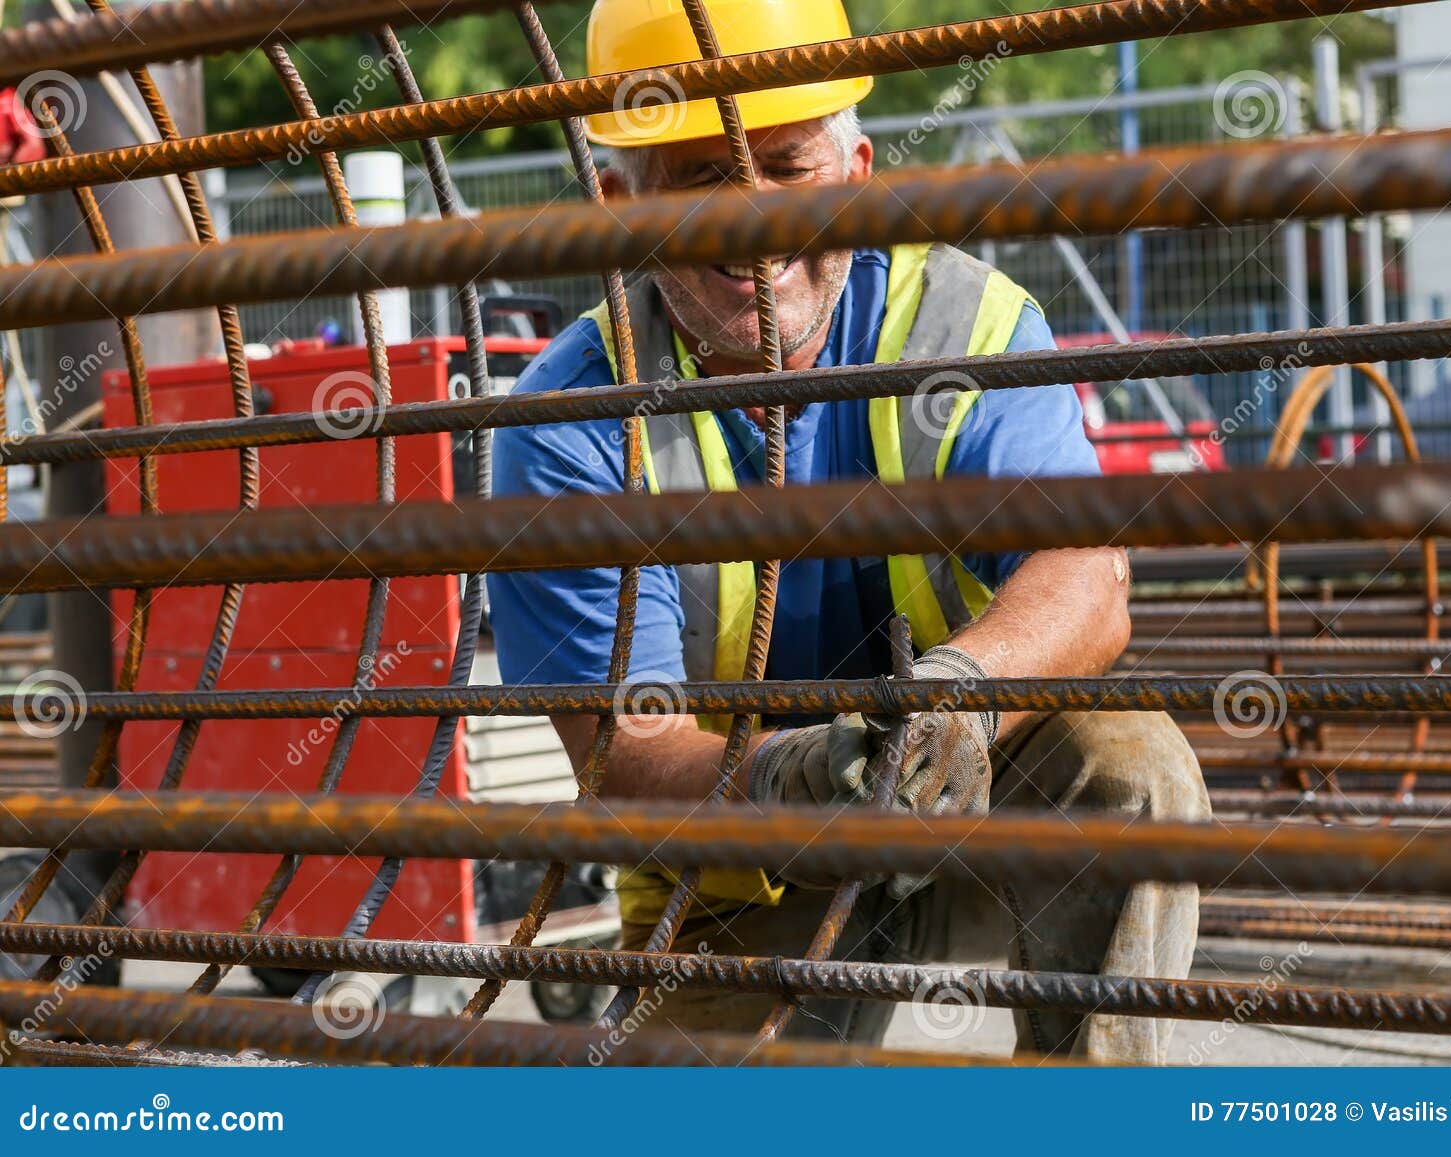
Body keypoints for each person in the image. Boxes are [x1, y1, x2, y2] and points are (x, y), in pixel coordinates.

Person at [487, 0, 1209, 1061]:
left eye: (786, 166)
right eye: (699, 177)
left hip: (981, 815)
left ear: (858, 169)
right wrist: (808, 776)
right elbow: (627, 759)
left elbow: (1086, 575)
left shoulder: (969, 328)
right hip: (739, 877)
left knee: (1129, 766)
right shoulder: (571, 424)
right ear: (615, 204)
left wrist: (954, 703)